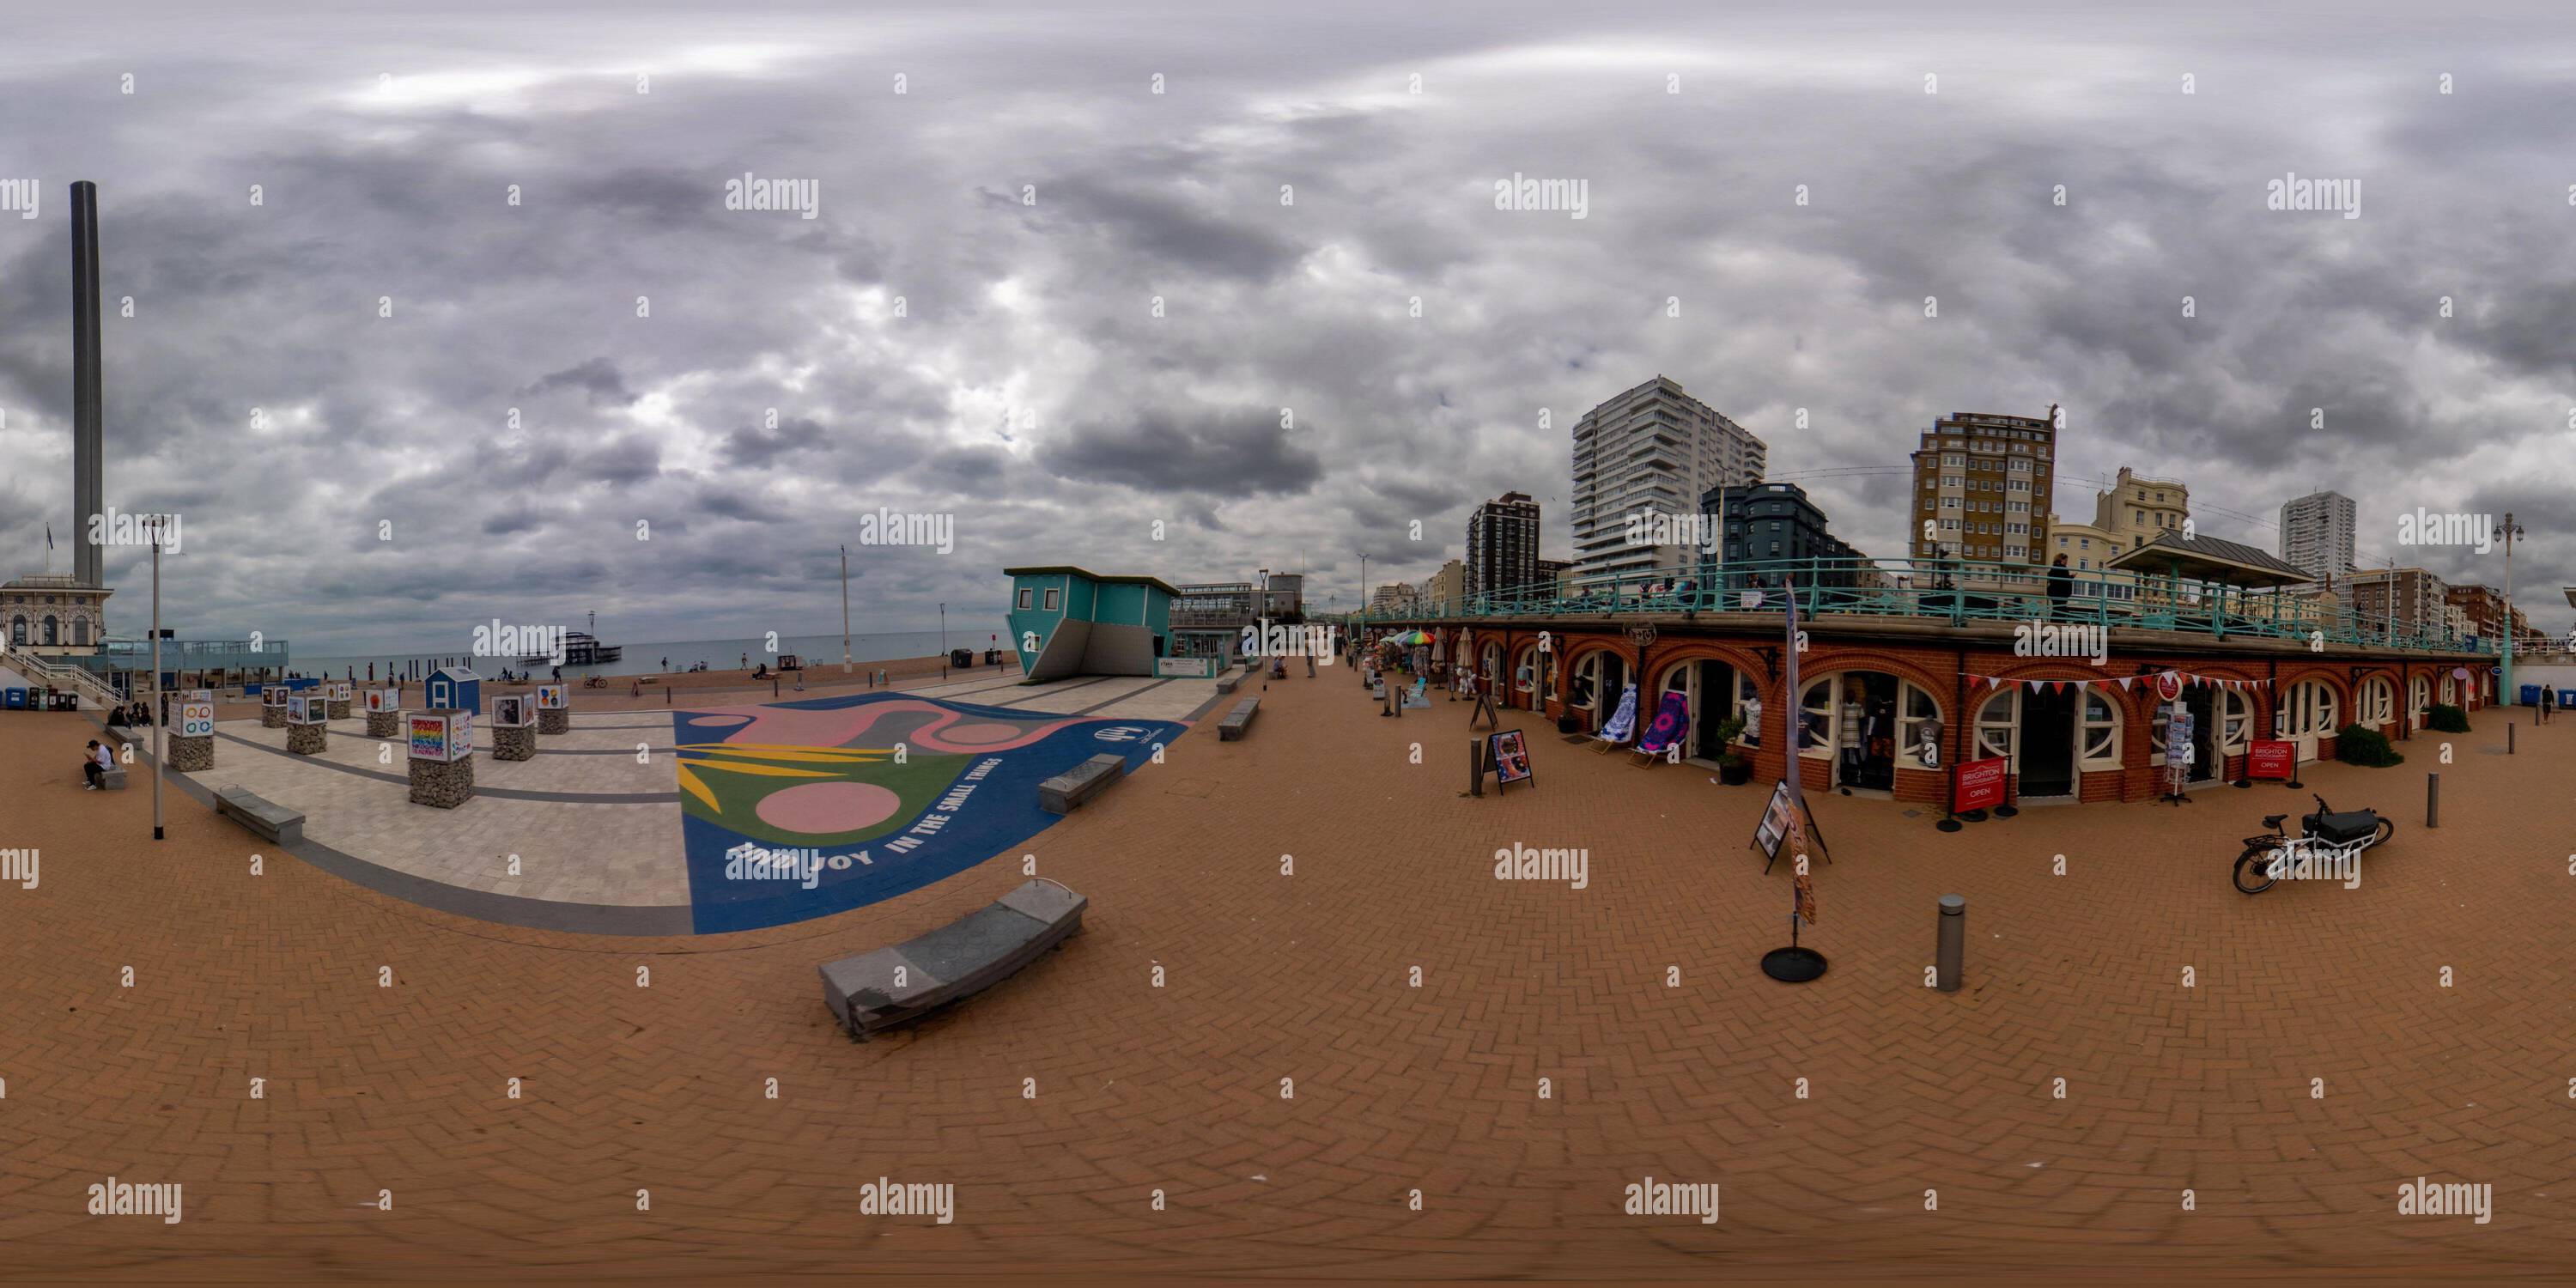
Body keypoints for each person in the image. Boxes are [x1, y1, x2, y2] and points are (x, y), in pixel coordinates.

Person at [2046, 554, 2073, 620]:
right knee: (2061, 609)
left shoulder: (2054, 568)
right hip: (2061, 593)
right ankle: (2059, 624)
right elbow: (2065, 580)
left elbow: (2053, 579)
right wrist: (2071, 577)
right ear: (2062, 559)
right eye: (2066, 560)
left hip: (2054, 592)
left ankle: (2055, 623)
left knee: (2057, 608)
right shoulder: (2063, 568)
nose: (2067, 562)